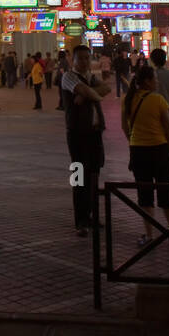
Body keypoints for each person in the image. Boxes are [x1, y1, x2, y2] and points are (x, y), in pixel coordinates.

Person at [122, 64, 169, 246]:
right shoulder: (157, 100)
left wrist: (133, 140)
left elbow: (125, 127)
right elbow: (168, 127)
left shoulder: (128, 99)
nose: (156, 81)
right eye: (154, 78)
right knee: (165, 191)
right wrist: (168, 145)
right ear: (147, 81)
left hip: (138, 151)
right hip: (159, 150)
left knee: (144, 194)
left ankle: (149, 235)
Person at [62, 45, 112, 236]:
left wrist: (85, 94)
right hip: (77, 135)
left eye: (86, 58)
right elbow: (97, 93)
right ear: (72, 60)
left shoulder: (90, 77)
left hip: (94, 134)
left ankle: (91, 216)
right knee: (79, 177)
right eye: (80, 58)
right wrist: (89, 93)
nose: (84, 61)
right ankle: (80, 220)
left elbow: (106, 88)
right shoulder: (68, 77)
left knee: (93, 175)